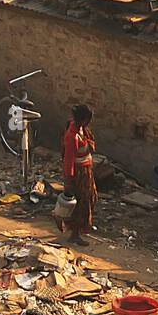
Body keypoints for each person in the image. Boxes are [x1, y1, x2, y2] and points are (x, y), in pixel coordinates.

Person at [61, 103, 97, 245]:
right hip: (78, 174)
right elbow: (68, 160)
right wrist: (69, 180)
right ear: (83, 119)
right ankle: (75, 234)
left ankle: (83, 227)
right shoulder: (72, 136)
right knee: (80, 204)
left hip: (86, 171)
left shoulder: (81, 130)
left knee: (90, 199)